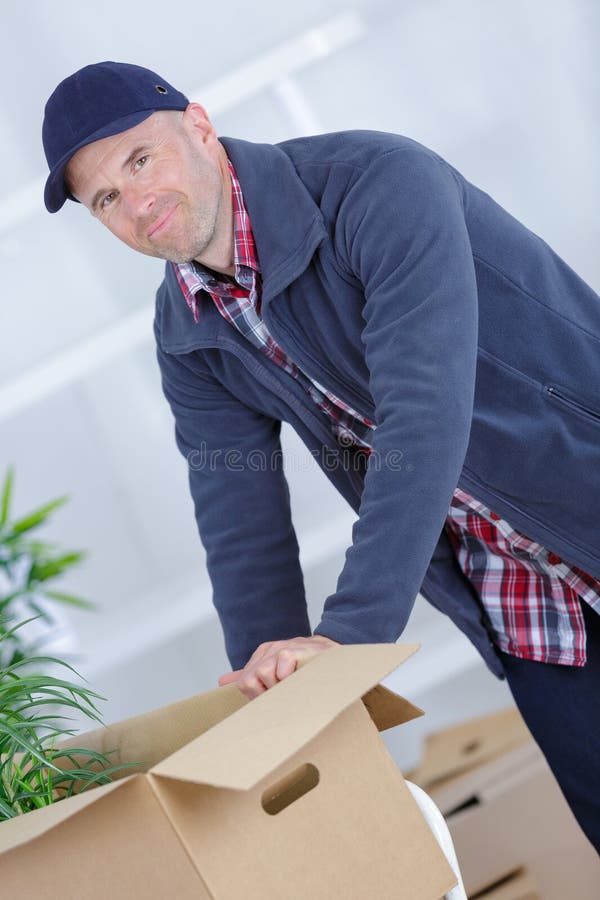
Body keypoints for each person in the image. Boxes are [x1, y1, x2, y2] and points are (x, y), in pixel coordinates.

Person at [42, 62, 599, 851]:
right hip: (531, 613)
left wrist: (346, 643)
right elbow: (240, 522)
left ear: (199, 127)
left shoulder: (377, 185)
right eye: (104, 198)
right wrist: (276, 715)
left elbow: (424, 413)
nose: (136, 204)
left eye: (140, 160)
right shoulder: (190, 334)